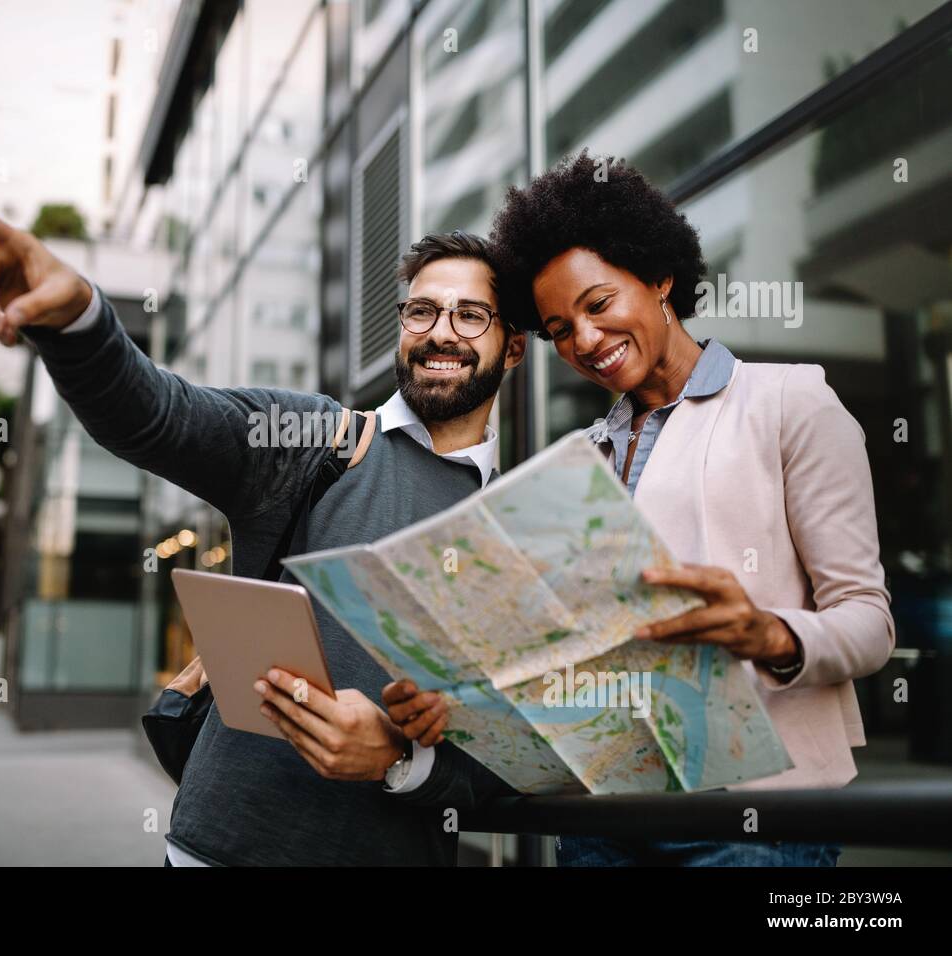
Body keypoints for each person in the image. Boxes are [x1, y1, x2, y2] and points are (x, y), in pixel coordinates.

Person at [0, 201, 523, 865]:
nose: (440, 332)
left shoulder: (517, 532)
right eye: (421, 310)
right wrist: (78, 320)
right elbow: (157, 414)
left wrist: (401, 757)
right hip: (221, 850)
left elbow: (521, 760)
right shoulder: (319, 442)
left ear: (515, 348)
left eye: (470, 314)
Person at [383, 152, 895, 866]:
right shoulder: (580, 459)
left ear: (660, 278)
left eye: (598, 306)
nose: (585, 341)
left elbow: (869, 624)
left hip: (752, 818)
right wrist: (461, 704)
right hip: (602, 816)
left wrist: (769, 634)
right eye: (560, 329)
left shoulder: (790, 404)